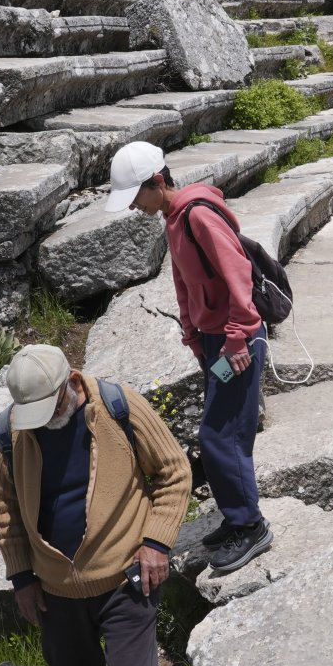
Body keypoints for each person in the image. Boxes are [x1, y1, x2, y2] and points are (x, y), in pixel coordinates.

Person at [0, 344, 189, 666]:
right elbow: (7, 508)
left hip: (127, 577)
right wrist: (23, 580)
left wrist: (157, 542)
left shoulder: (120, 406)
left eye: (48, 408)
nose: (38, 422)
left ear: (71, 384)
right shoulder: (10, 432)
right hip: (56, 591)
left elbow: (173, 473)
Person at [105, 141, 273, 575]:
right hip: (215, 342)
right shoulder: (174, 219)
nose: (132, 208)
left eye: (135, 197)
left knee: (221, 435)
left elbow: (237, 276)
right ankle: (236, 515)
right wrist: (192, 332)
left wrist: (236, 338)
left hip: (238, 341)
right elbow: (183, 281)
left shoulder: (197, 215)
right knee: (220, 430)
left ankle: (250, 525)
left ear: (158, 182)